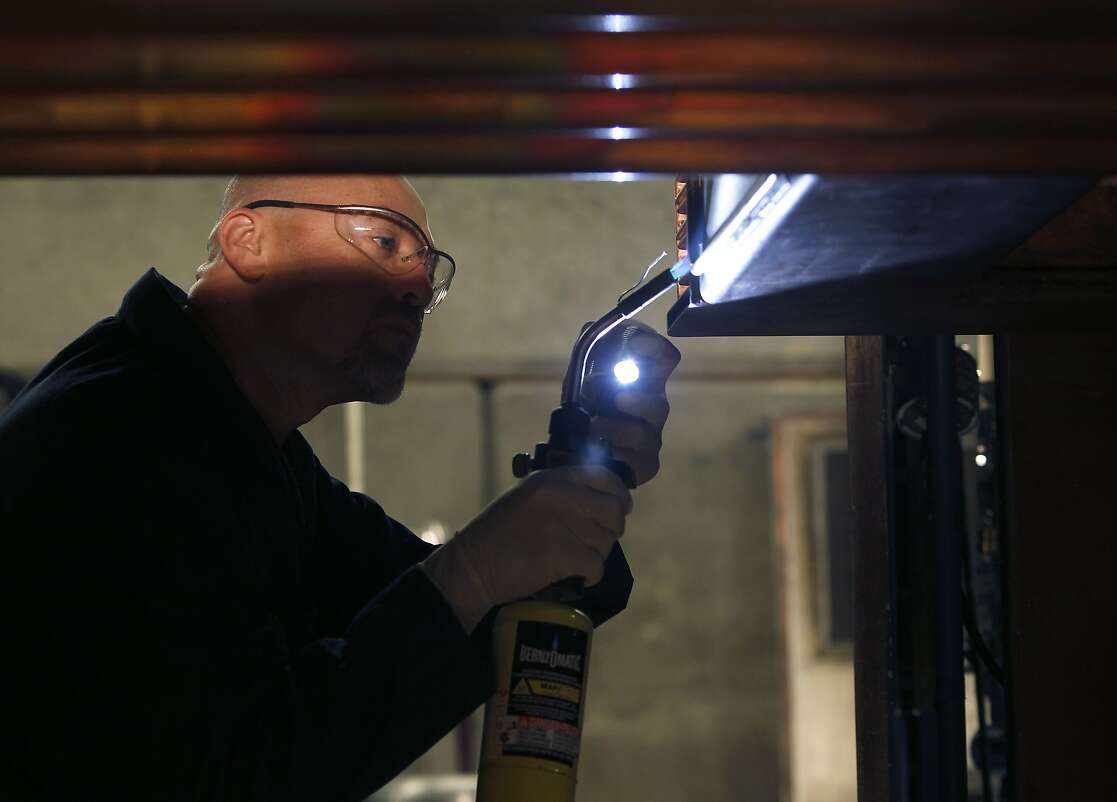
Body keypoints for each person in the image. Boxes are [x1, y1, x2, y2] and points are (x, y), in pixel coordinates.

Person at [0, 175, 680, 802]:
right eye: (386, 240)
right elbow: (243, 776)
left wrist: (589, 471)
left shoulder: (249, 451)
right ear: (248, 242)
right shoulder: (118, 436)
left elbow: (505, 610)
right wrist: (472, 571)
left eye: (429, 271)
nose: (418, 288)